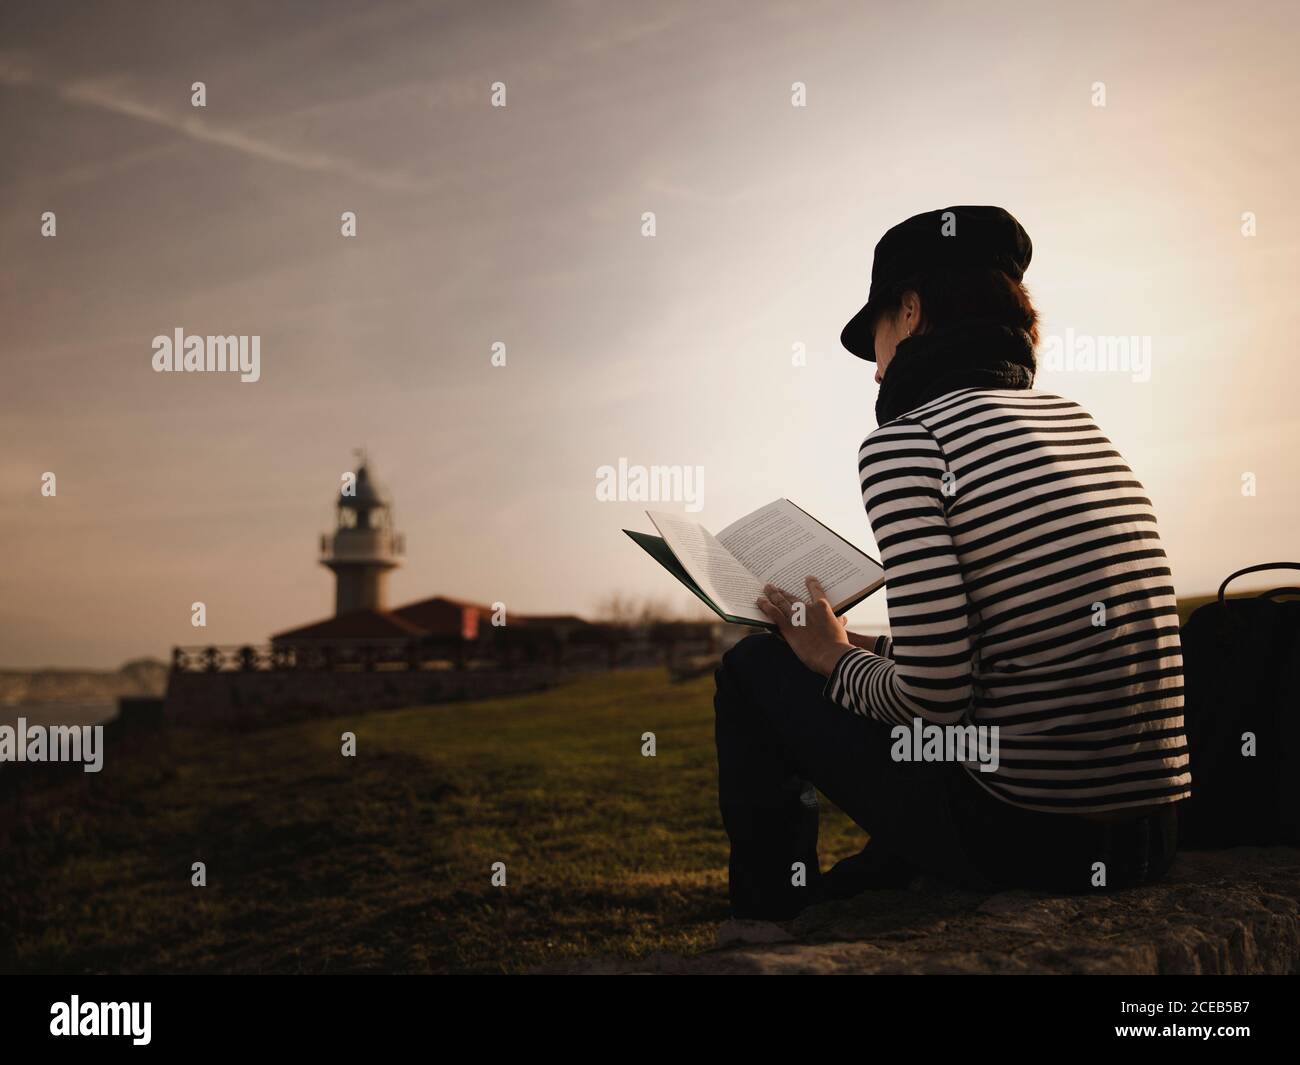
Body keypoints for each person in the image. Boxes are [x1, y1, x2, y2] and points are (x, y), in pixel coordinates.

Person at [713, 206, 1190, 921]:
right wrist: (858, 647)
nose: (875, 370)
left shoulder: (909, 442)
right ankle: (891, 867)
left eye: (874, 339)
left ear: (909, 311)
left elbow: (935, 700)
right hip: (1152, 836)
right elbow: (1000, 653)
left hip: (1036, 837)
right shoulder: (1078, 423)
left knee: (752, 669)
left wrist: (828, 660)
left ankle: (771, 918)